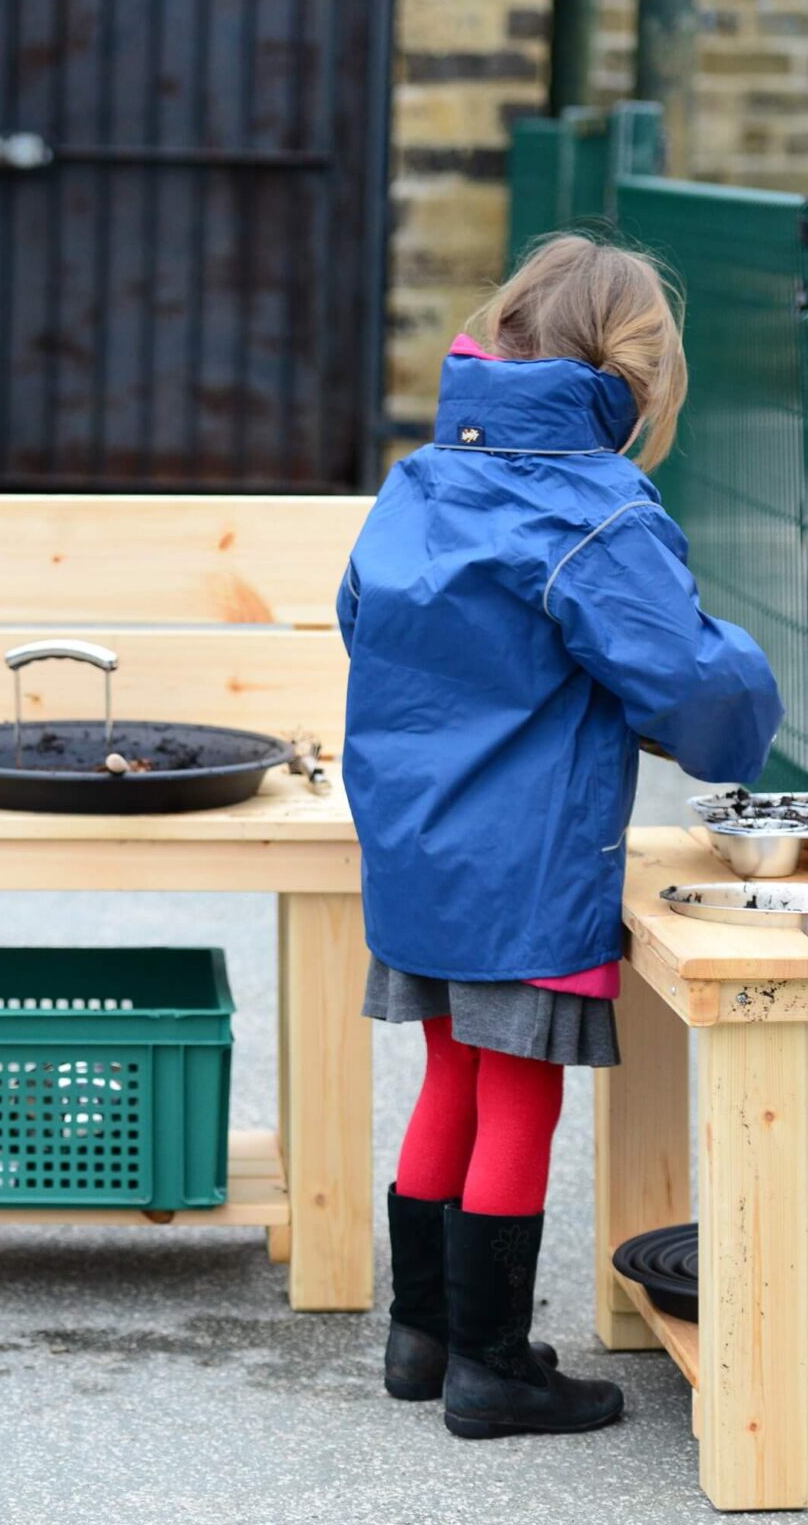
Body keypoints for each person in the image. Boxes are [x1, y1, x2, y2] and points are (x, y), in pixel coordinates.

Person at [339, 234, 782, 1438]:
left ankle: (420, 1339)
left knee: (451, 1078)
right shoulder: (593, 507)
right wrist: (748, 683)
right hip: (526, 860)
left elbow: (362, 620)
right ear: (630, 384)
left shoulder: (418, 480)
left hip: (418, 845)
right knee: (521, 1096)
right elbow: (690, 685)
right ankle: (493, 1369)